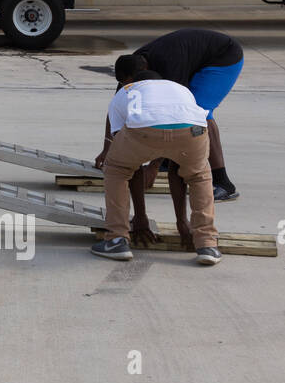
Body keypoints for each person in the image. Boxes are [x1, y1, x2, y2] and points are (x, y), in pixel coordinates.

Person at [92, 56, 221, 265]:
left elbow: (131, 166)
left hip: (144, 130)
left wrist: (140, 217)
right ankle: (207, 244)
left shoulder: (125, 92)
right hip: (193, 130)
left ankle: (117, 239)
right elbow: (171, 141)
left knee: (117, 169)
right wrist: (181, 221)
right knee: (199, 176)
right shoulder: (179, 88)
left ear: (132, 81)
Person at [132, 28, 243, 201]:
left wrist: (153, 165)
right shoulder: (133, 65)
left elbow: (174, 113)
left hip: (224, 57)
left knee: (198, 112)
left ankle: (223, 183)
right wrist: (110, 150)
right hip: (198, 57)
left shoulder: (170, 66)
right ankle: (167, 161)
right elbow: (119, 108)